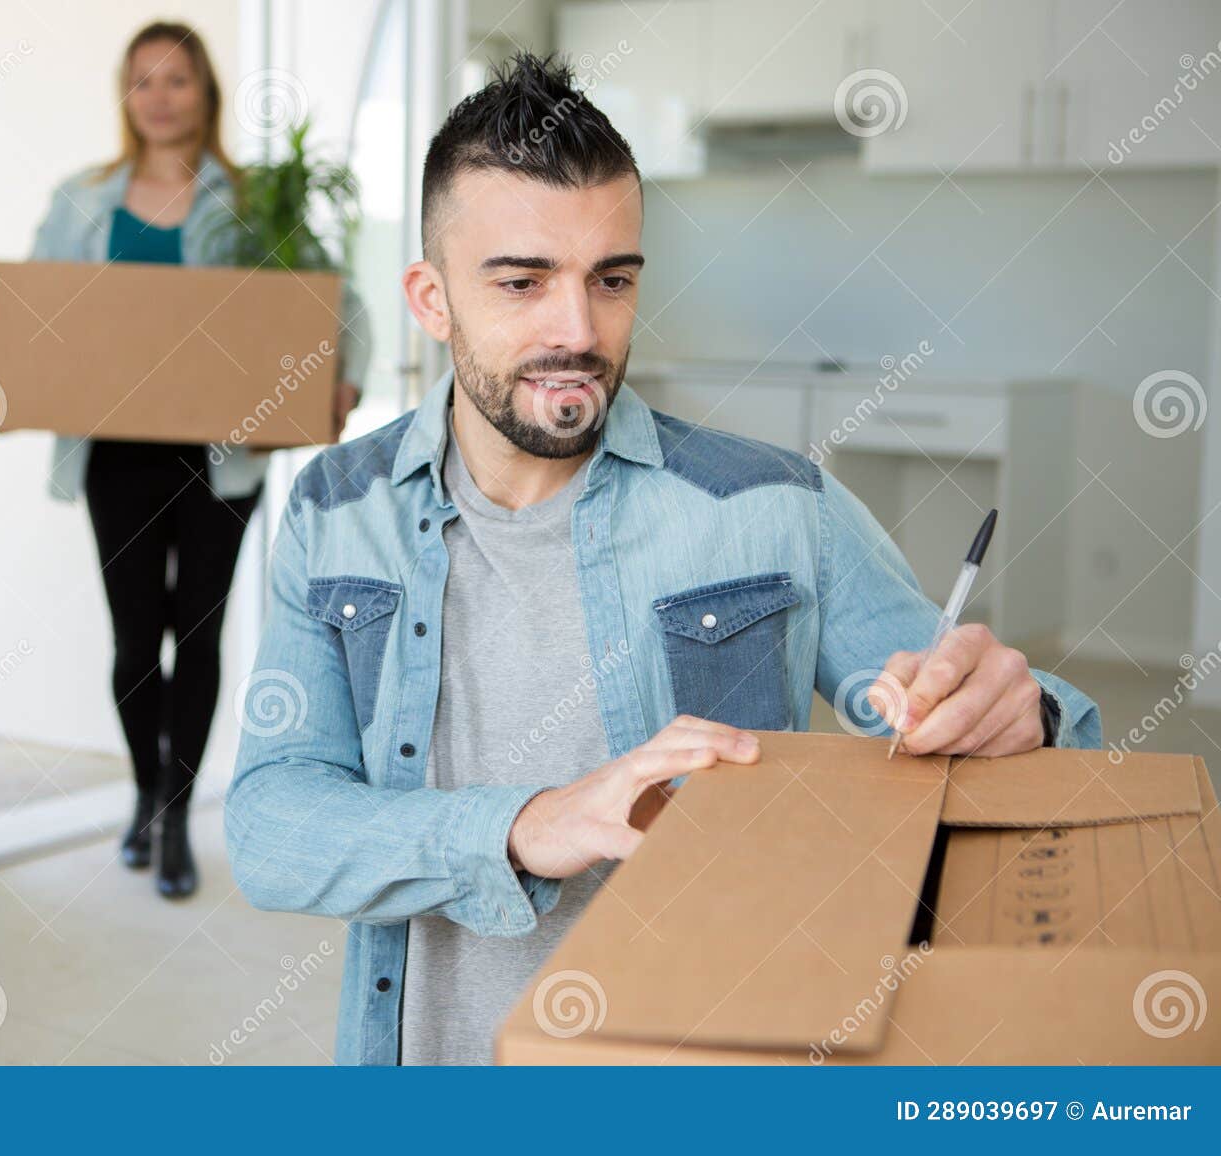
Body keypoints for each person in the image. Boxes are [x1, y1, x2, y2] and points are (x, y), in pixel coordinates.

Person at [223, 52, 1101, 1062]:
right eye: (522, 282)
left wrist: (1016, 712)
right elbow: (269, 826)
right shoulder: (337, 509)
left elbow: (996, 742)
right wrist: (525, 826)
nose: (578, 331)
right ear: (431, 299)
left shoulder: (776, 506)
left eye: (611, 280)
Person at [29, 21, 369, 899]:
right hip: (116, 454)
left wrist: (342, 378)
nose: (159, 97)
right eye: (142, 80)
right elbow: (39, 312)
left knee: (200, 632)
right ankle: (146, 792)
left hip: (224, 455)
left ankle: (178, 817)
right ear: (125, 94)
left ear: (207, 92)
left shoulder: (253, 202)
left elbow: (337, 299)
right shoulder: (80, 201)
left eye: (176, 79)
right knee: (134, 638)